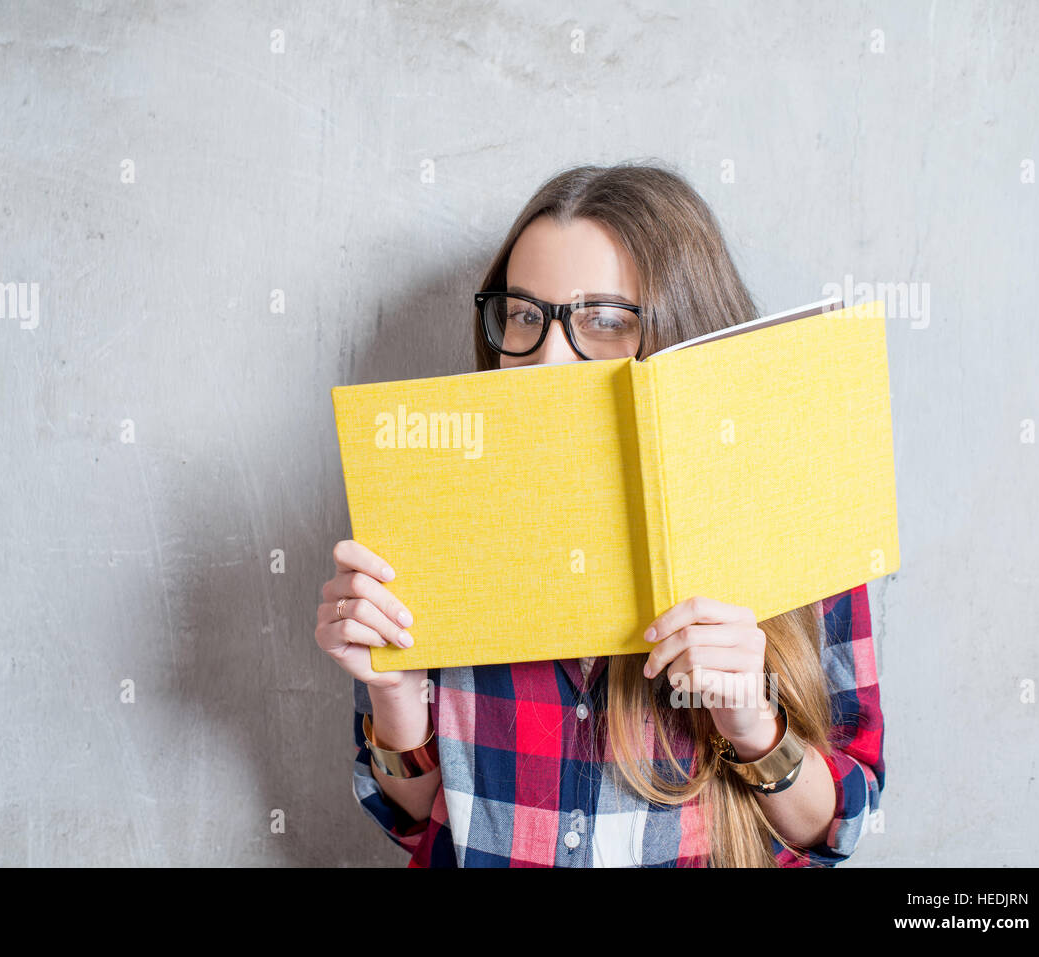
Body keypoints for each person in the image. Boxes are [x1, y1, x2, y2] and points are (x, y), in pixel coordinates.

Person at [315, 161, 885, 867]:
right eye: (525, 316)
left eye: (606, 320)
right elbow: (413, 823)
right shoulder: (432, 508)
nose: (549, 360)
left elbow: (840, 826)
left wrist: (754, 724)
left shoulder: (799, 511)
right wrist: (396, 696)